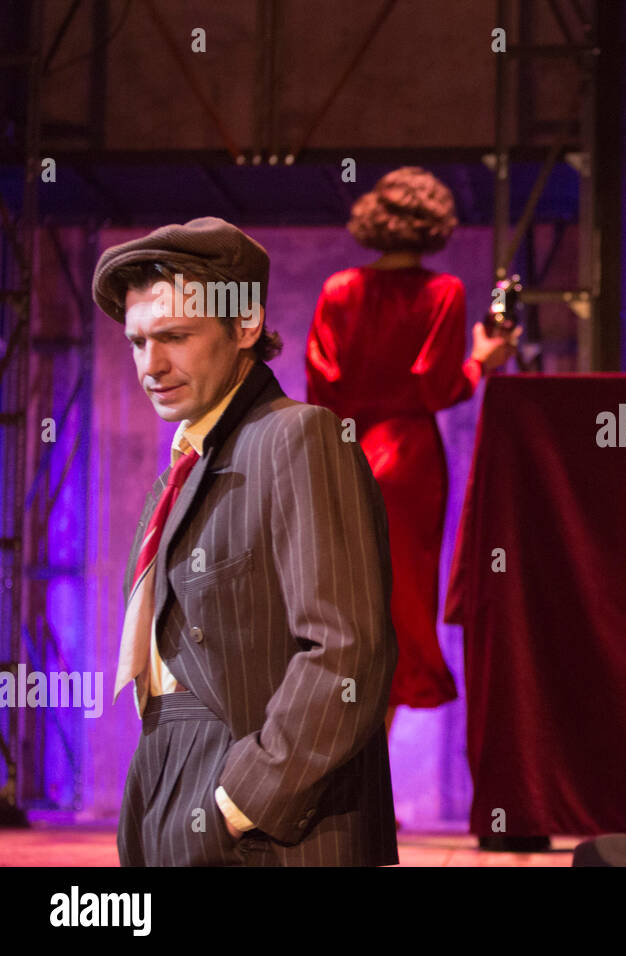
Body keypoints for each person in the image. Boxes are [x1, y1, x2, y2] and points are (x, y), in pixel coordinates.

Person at [94, 216, 400, 866]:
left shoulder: (297, 436)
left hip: (265, 816)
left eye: (174, 336)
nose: (151, 366)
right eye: (137, 342)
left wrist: (239, 803)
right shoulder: (185, 465)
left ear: (245, 326)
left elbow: (346, 648)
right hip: (168, 767)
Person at [306, 166, 517, 736]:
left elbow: (320, 387)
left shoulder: (338, 290)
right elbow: (437, 385)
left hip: (342, 454)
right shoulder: (443, 293)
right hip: (410, 460)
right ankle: (368, 764)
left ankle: (338, 765)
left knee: (343, 608)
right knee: (400, 608)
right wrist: (482, 364)